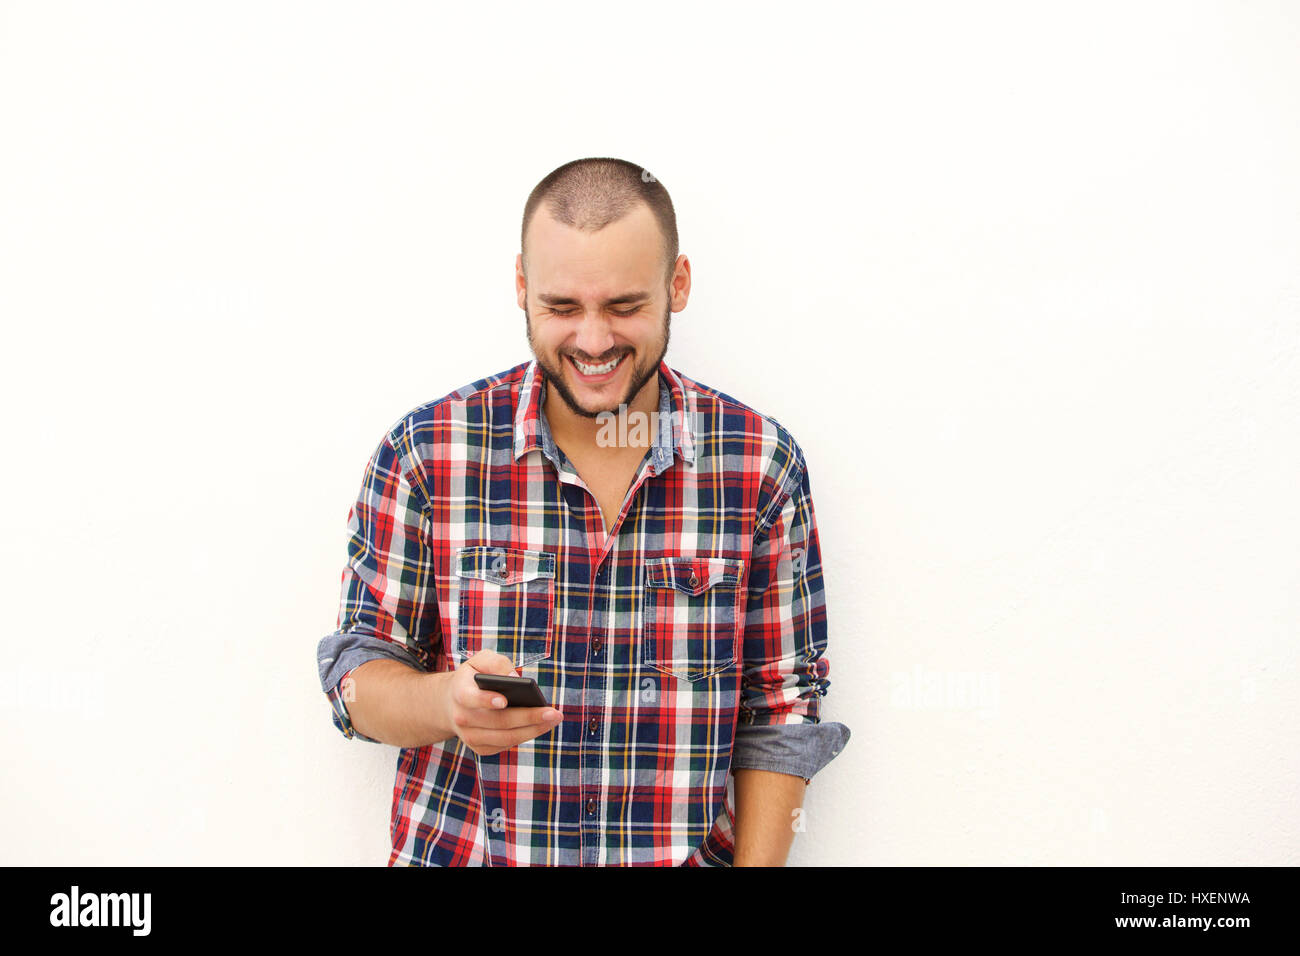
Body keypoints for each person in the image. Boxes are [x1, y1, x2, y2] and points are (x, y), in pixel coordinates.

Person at [315, 157, 850, 866]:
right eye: (562, 307)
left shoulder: (759, 466)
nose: (593, 341)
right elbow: (358, 677)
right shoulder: (426, 452)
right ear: (520, 287)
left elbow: (781, 712)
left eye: (624, 307)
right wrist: (448, 702)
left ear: (677, 285)